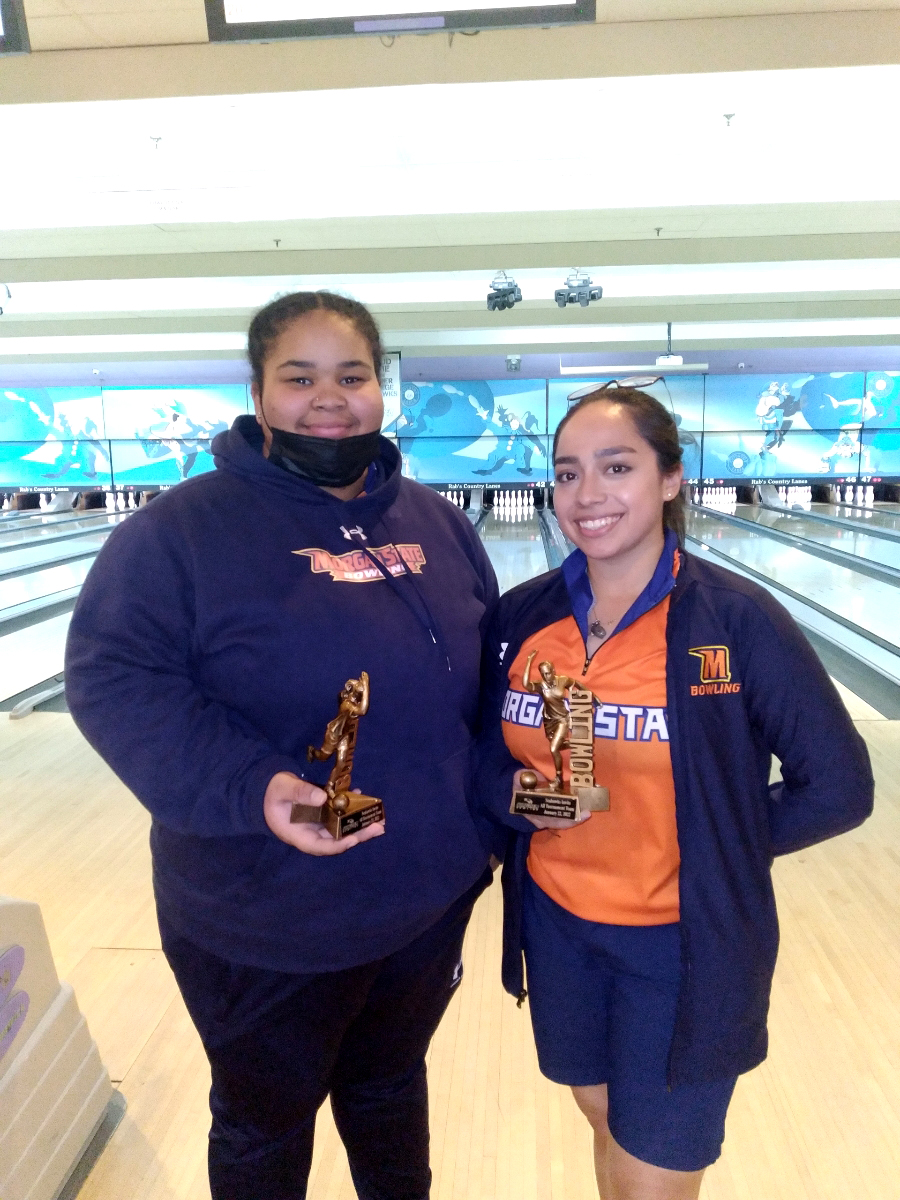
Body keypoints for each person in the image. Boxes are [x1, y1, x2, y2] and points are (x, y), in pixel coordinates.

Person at [65, 291, 499, 1200]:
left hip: (425, 901)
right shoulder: (176, 534)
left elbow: (486, 678)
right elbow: (115, 679)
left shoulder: (437, 521)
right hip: (267, 917)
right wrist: (252, 785)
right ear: (259, 395)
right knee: (266, 1124)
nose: (328, 399)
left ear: (384, 388)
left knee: (389, 1086)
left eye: (352, 376)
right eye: (298, 378)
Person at [476, 381, 874, 1200]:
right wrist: (516, 797)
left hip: (680, 944)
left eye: (616, 467)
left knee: (655, 1165)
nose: (586, 496)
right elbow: (482, 756)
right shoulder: (523, 615)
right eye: (566, 473)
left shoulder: (735, 621)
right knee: (604, 1119)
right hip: (558, 925)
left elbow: (838, 786)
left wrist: (712, 839)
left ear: (669, 478)